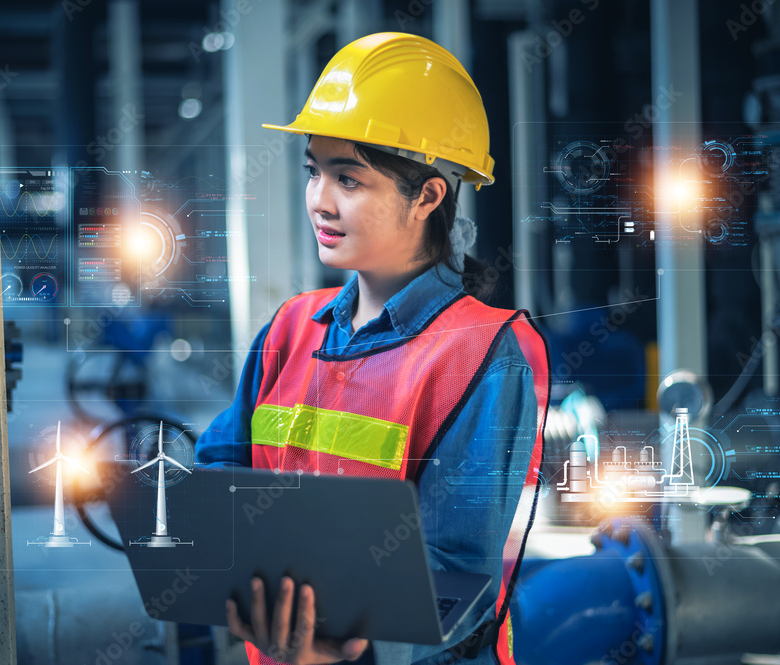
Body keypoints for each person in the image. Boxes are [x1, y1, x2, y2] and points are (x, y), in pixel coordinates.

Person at [194, 32, 549, 665]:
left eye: (349, 179)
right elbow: (221, 473)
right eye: (314, 172)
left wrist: (337, 654)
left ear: (427, 195)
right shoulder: (290, 329)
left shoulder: (484, 353)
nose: (319, 202)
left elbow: (460, 580)